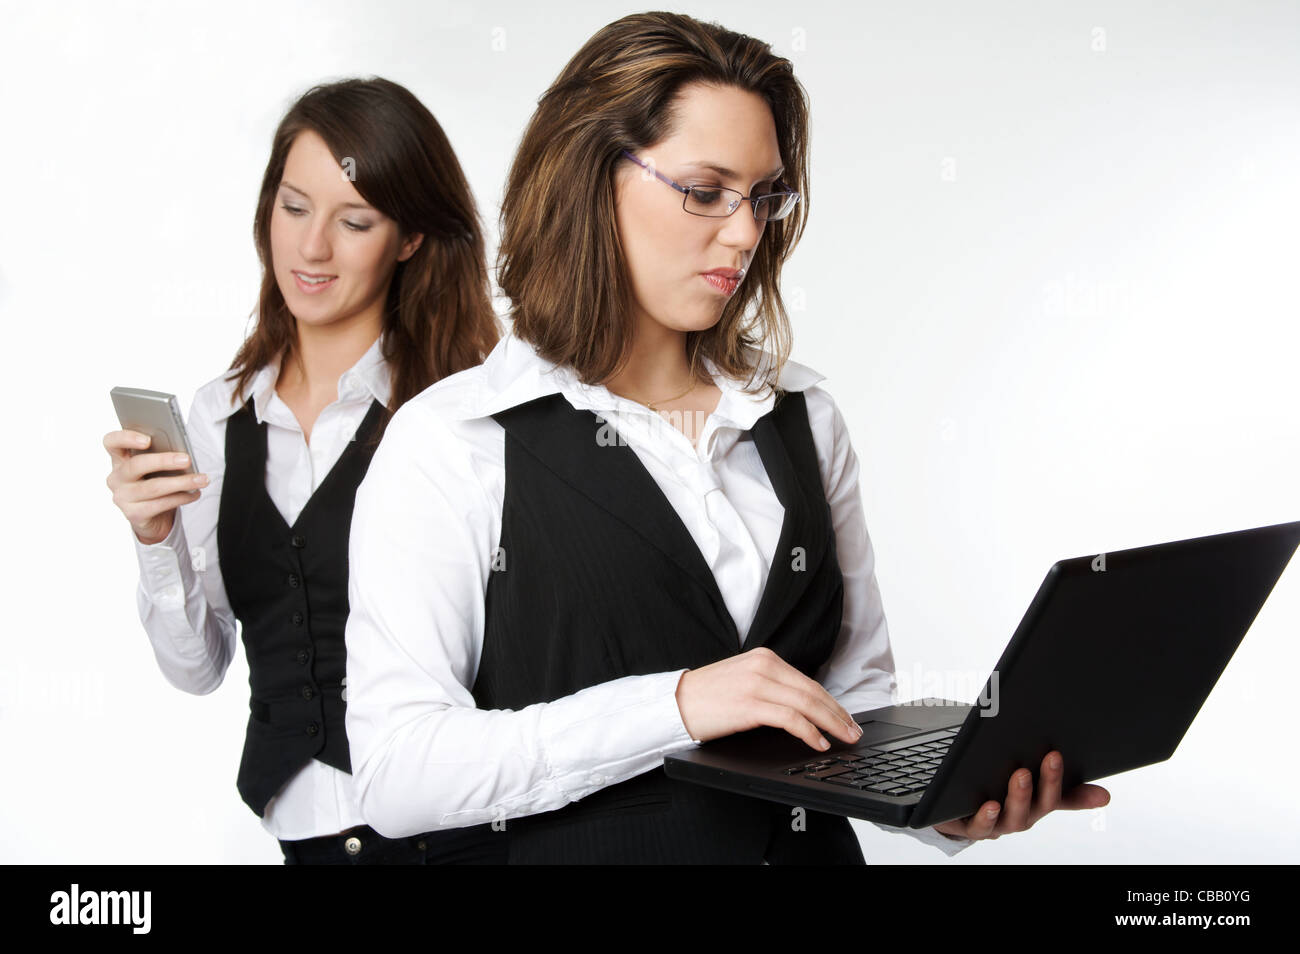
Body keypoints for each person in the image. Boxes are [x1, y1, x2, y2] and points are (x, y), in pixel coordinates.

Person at [343, 14, 1110, 864]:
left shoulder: (803, 415)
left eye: (765, 195)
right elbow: (397, 775)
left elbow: (853, 698)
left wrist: (941, 803)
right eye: (705, 191)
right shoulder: (455, 440)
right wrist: (674, 706)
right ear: (590, 180)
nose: (747, 233)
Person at [103, 77, 505, 864]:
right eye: (294, 207)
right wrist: (157, 540)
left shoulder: (463, 413)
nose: (311, 248)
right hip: (308, 840)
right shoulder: (219, 418)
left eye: (354, 221)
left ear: (413, 237)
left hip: (457, 833)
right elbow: (199, 669)